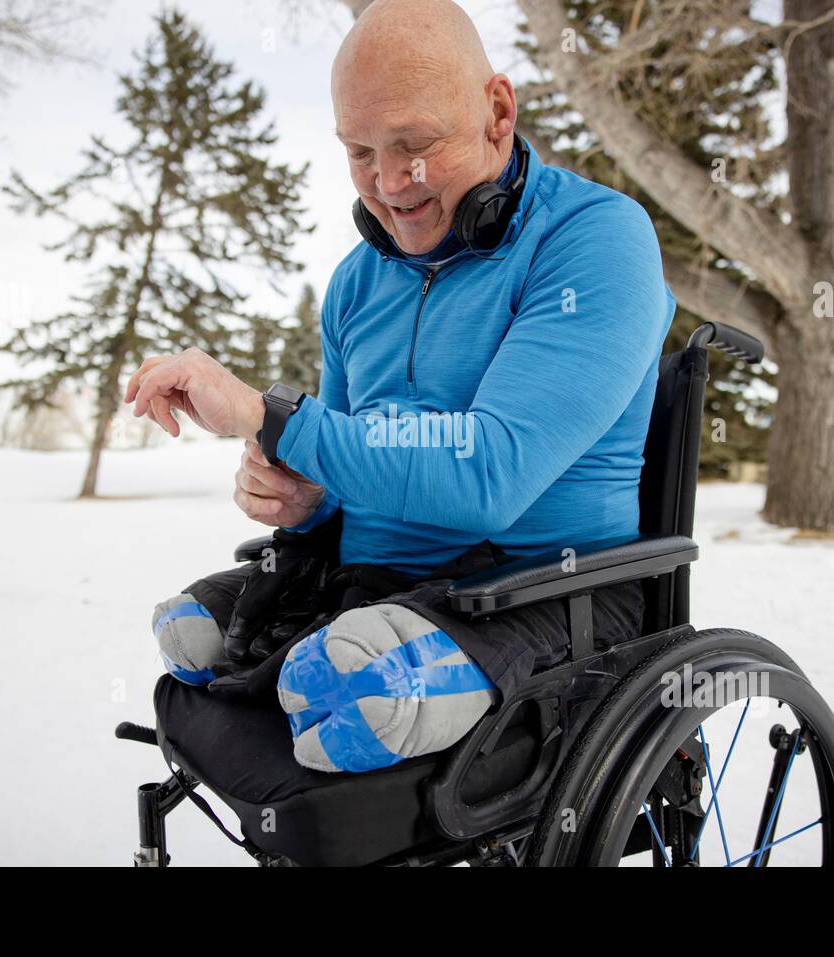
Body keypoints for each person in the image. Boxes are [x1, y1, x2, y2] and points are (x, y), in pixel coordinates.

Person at [128, 0, 676, 774]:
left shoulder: (596, 240)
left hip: (543, 594)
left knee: (351, 685)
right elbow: (354, 464)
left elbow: (488, 472)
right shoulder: (356, 282)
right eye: (359, 152)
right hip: (380, 582)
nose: (389, 185)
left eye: (414, 145)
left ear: (497, 111)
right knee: (191, 630)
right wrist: (309, 494)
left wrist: (269, 416)